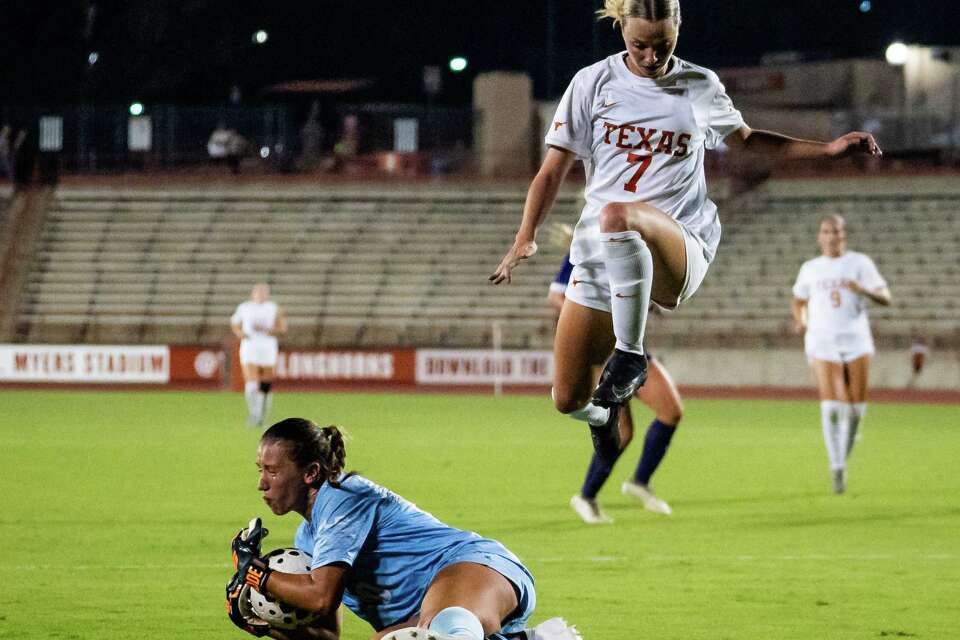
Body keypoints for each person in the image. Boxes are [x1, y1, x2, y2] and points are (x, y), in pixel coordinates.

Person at [489, 0, 882, 465]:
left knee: (618, 215)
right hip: (602, 253)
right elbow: (552, 170)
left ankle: (630, 356)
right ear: (620, 30)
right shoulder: (591, 83)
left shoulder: (699, 85)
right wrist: (525, 235)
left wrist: (829, 149)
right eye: (640, 45)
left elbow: (748, 140)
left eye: (663, 45)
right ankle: (603, 416)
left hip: (680, 243)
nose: (652, 57)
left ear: (678, 28)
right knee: (567, 398)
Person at [225, 418, 582, 640]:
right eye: (260, 470)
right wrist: (264, 621)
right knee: (431, 631)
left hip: (474, 568)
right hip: (424, 618)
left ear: (311, 473)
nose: (262, 483)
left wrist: (256, 575)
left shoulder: (341, 497)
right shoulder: (309, 538)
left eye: (271, 471)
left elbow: (321, 596)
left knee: (445, 627)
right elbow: (327, 633)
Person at [547, 249, 680, 524]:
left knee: (669, 412)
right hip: (605, 349)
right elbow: (557, 295)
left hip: (632, 347)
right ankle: (587, 496)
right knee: (625, 430)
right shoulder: (589, 247)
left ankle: (637, 483)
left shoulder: (640, 245)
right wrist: (589, 319)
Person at [791, 215, 891, 494]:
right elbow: (798, 300)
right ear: (819, 237)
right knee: (832, 407)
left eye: (836, 231)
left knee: (856, 410)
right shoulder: (810, 268)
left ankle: (840, 460)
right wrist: (800, 319)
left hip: (856, 338)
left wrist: (864, 290)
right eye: (826, 231)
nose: (831, 236)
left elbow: (887, 297)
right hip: (822, 339)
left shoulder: (860, 264)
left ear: (843, 235)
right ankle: (837, 468)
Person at [231, 283, 287, 427]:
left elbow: (282, 328)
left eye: (264, 292)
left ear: (267, 294)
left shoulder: (273, 308)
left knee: (266, 384)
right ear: (253, 293)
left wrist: (269, 330)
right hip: (250, 346)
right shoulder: (244, 307)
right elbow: (235, 324)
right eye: (258, 291)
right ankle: (253, 415)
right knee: (251, 382)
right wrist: (240, 333)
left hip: (268, 347)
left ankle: (263, 417)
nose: (261, 294)